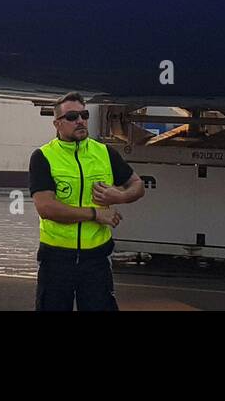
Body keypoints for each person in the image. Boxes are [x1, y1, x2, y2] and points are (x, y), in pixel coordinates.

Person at [28, 92, 145, 311]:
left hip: (96, 260)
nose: (80, 120)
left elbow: (137, 185)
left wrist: (119, 196)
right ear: (57, 124)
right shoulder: (43, 157)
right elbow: (46, 207)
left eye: (84, 114)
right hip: (57, 259)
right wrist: (95, 214)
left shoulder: (104, 153)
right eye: (72, 117)